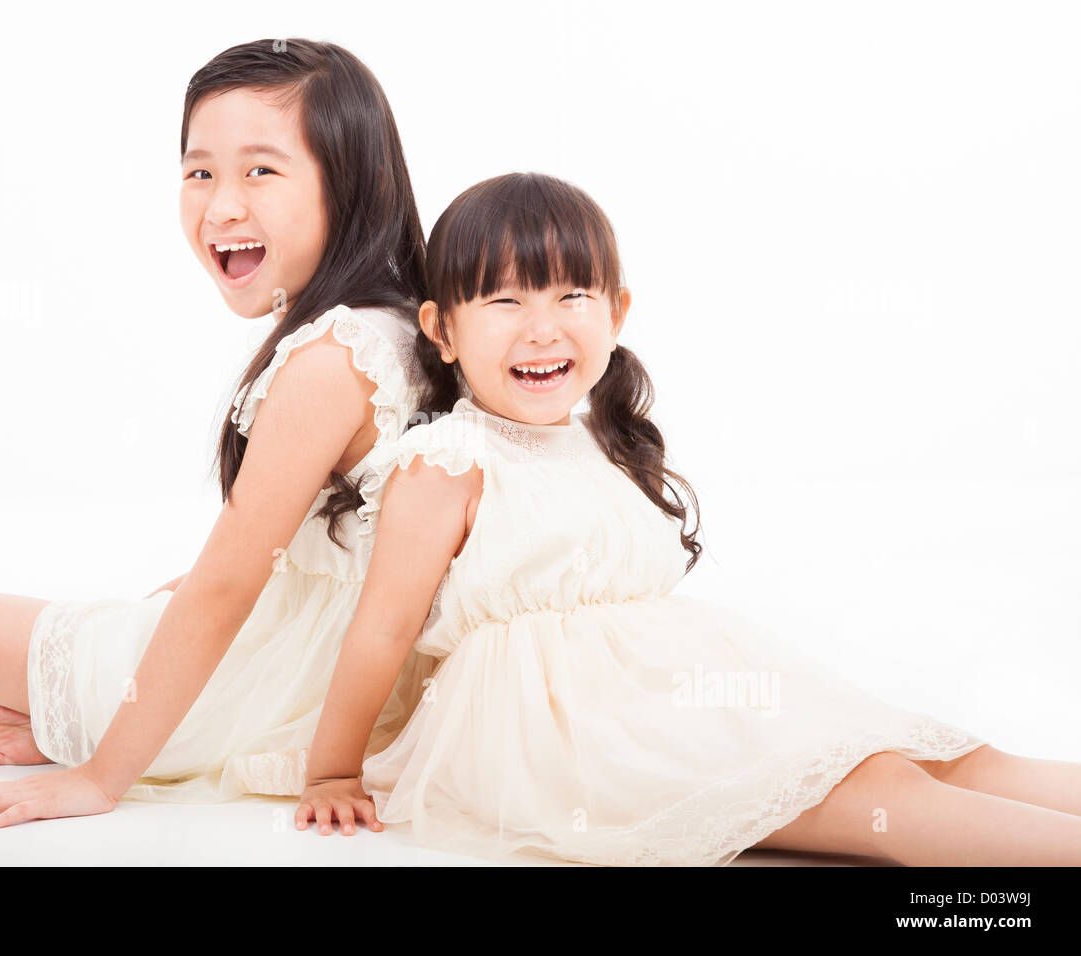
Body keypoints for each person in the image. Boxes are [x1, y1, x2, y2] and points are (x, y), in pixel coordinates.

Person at [293, 171, 1081, 866]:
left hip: (678, 684)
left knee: (929, 754)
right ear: (442, 331)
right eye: (504, 301)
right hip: (574, 735)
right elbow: (382, 629)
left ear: (617, 310)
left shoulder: (593, 435)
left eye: (573, 296)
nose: (542, 327)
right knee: (884, 801)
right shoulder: (449, 461)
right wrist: (334, 770)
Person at [0, 38, 437, 826]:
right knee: (160, 598)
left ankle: (105, 733)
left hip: (293, 686)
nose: (222, 206)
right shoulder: (403, 321)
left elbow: (228, 588)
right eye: (200, 172)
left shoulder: (330, 361)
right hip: (335, 657)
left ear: (352, 183)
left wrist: (100, 779)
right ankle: (90, 712)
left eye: (260, 170)